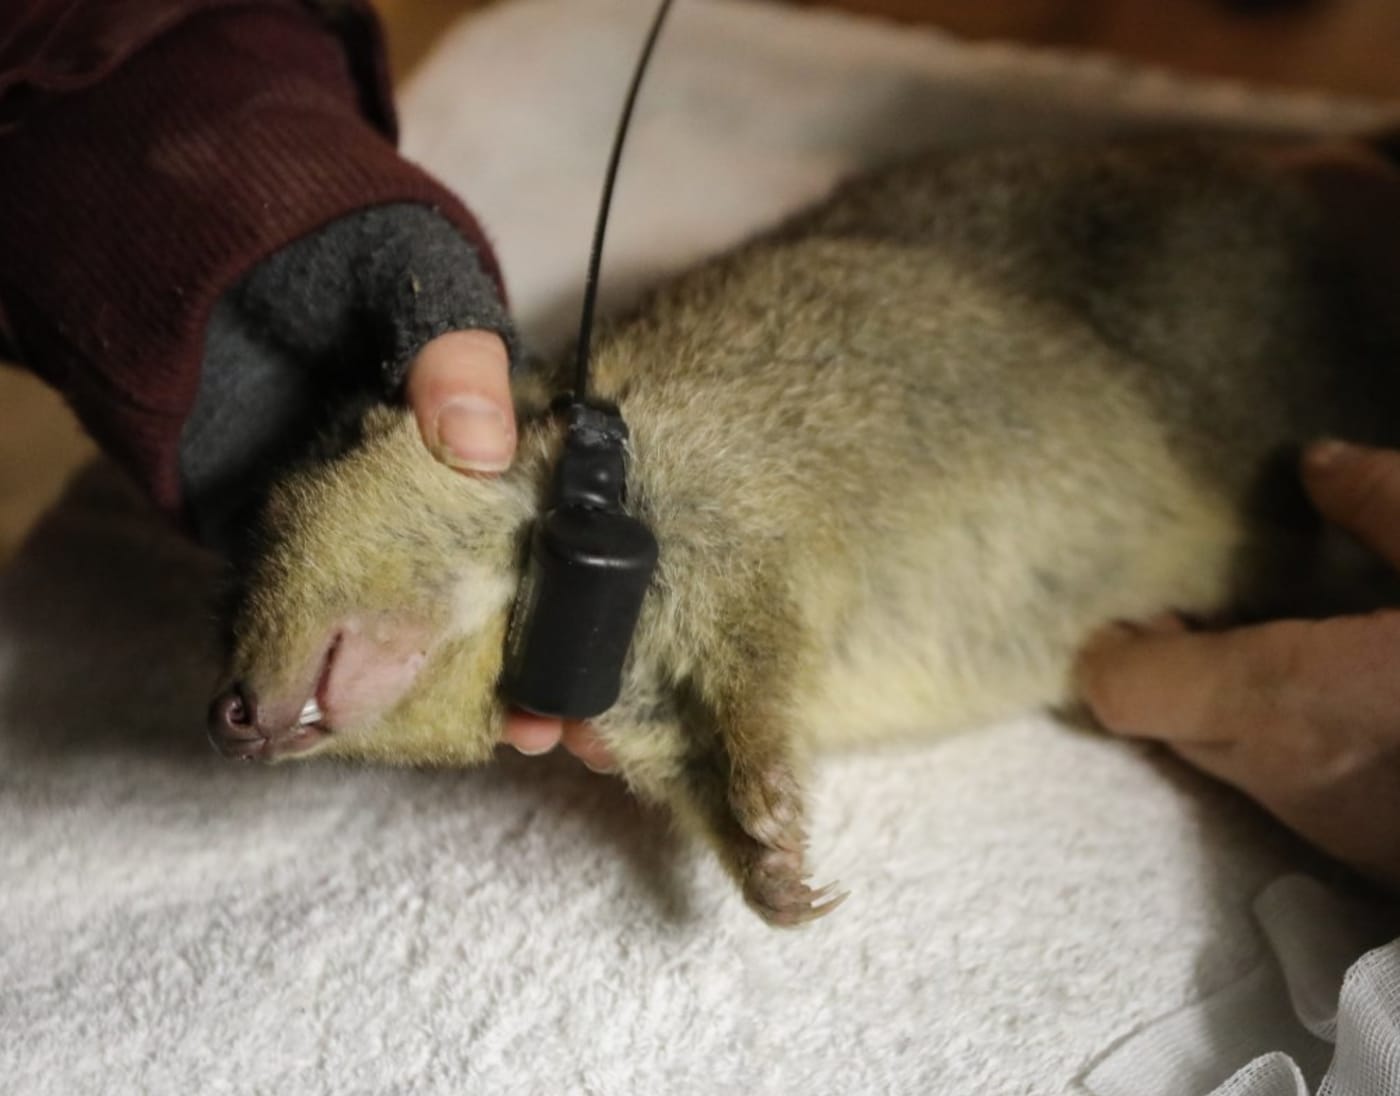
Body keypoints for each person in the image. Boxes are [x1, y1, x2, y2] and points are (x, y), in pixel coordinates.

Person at [0, 1, 1394, 887]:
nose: (252, 716)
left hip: (1225, 333)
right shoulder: (532, 615)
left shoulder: (631, 471)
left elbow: (743, 582)